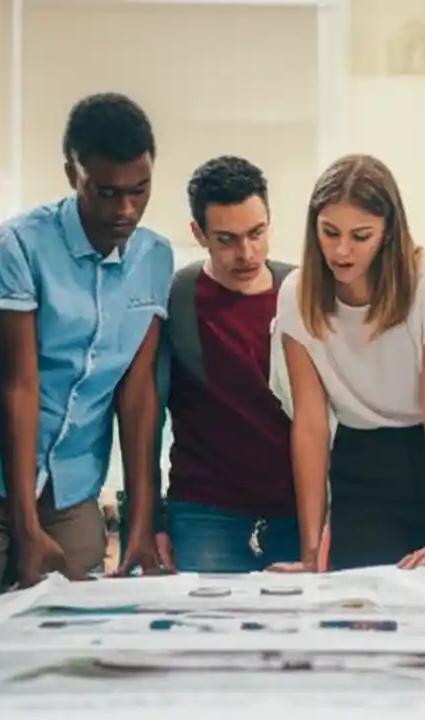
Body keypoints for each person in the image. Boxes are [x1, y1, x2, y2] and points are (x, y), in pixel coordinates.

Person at [0, 92, 173, 618]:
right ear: (72, 173)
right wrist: (24, 525)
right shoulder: (19, 245)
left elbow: (136, 397)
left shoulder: (154, 258)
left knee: (72, 635)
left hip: (73, 483)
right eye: (107, 192)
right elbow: (17, 386)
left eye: (140, 190)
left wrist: (141, 522)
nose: (126, 210)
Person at [270, 153, 425, 573]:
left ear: (388, 231)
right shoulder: (296, 294)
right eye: (329, 232)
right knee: (363, 606)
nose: (342, 250)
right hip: (362, 461)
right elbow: (311, 426)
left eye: (361, 236)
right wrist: (310, 554)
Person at [160, 156, 299, 572]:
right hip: (206, 512)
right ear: (198, 234)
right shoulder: (177, 297)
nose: (246, 253)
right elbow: (143, 414)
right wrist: (147, 520)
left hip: (297, 510)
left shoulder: (301, 292)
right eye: (226, 239)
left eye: (257, 233)